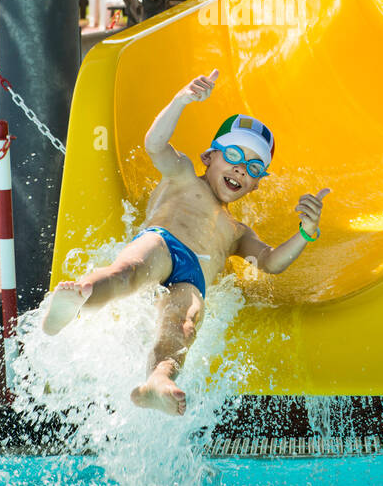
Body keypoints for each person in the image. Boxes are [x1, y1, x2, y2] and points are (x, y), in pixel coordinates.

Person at [42, 70, 329, 415]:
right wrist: (182, 100)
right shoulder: (181, 174)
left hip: (193, 279)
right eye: (234, 156)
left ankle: (158, 382)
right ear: (209, 157)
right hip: (162, 244)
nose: (241, 170)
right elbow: (155, 144)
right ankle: (80, 296)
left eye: (253, 167)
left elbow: (271, 262)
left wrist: (306, 231)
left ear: (256, 185)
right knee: (127, 272)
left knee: (183, 328)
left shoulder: (237, 231)